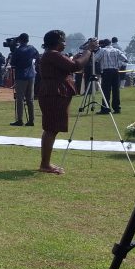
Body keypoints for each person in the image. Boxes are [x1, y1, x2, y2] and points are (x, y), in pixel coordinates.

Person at [37, 31, 96, 175]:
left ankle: (45, 163)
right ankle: (45, 165)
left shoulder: (51, 54)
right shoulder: (52, 54)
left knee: (51, 128)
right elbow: (75, 66)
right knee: (51, 128)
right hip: (54, 94)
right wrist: (89, 50)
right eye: (63, 41)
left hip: (53, 93)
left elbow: (71, 64)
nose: (65, 43)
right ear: (57, 42)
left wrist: (75, 58)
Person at [8, 33, 39, 126]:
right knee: (30, 99)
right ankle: (31, 120)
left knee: (20, 98)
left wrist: (13, 50)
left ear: (20, 40)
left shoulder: (18, 51)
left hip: (21, 76)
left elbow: (12, 63)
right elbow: (37, 56)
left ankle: (20, 120)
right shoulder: (32, 48)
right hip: (31, 75)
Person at [96, 39, 128, 114]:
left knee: (106, 91)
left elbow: (95, 59)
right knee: (116, 90)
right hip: (115, 71)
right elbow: (125, 59)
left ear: (103, 44)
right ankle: (117, 108)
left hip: (106, 71)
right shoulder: (116, 50)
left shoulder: (102, 50)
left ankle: (105, 108)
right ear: (110, 44)